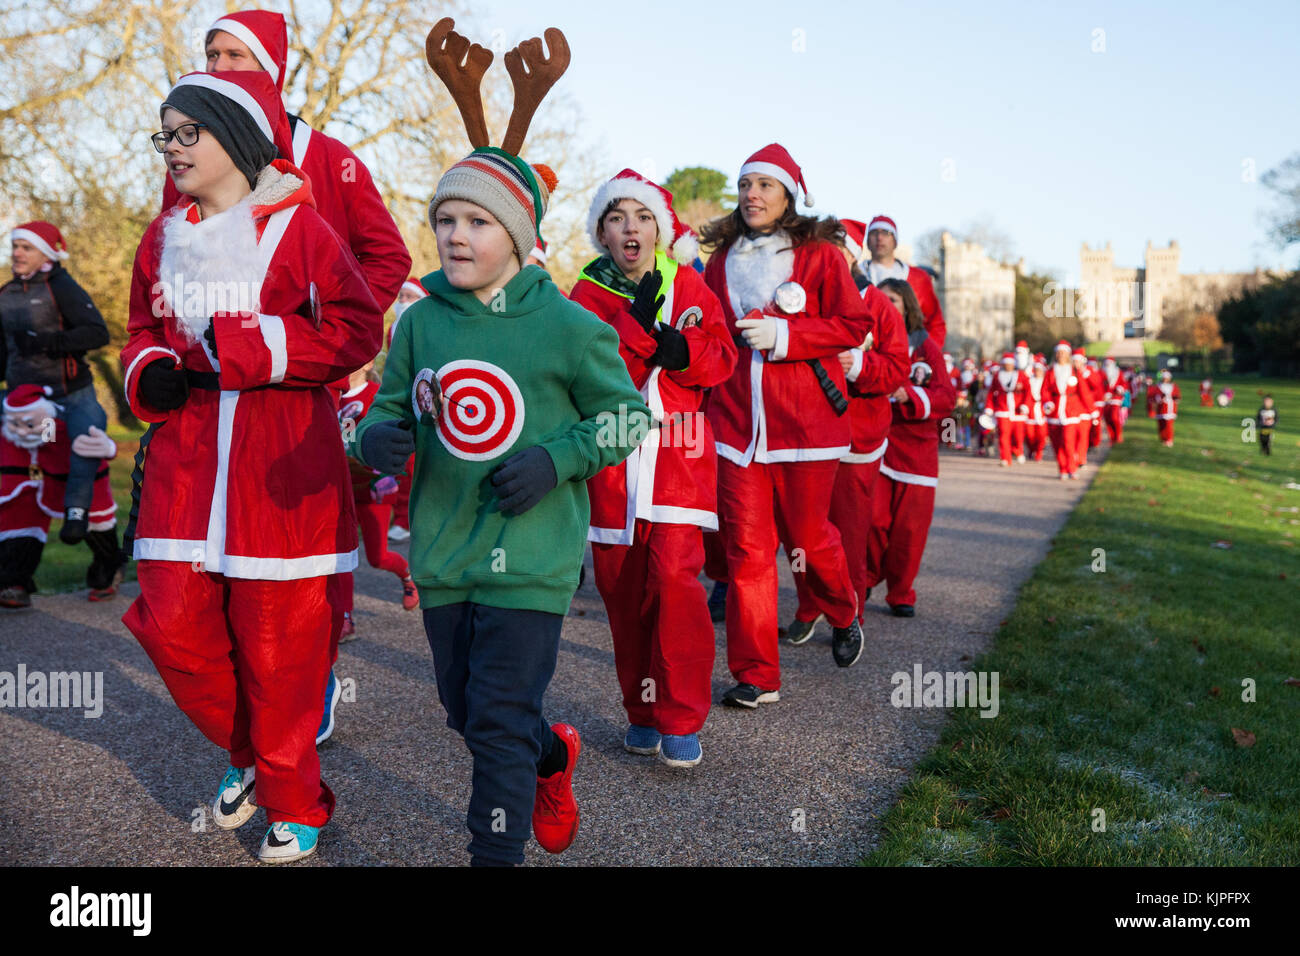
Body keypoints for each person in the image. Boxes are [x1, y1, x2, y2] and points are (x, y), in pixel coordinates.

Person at [353, 18, 649, 865]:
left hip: (533, 562)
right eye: (444, 218)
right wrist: (377, 438)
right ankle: (552, 756)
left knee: (492, 717)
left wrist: (557, 459)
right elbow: (384, 411)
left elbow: (629, 417)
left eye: (476, 222)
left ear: (516, 237)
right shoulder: (419, 324)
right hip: (444, 555)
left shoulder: (566, 325)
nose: (454, 235)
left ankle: (497, 852)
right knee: (466, 711)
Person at [120, 70, 382, 863]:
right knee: (169, 628)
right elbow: (139, 329)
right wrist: (146, 369)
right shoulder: (160, 235)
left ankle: (293, 794)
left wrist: (261, 348)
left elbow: (357, 328)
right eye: (163, 134)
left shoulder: (304, 231)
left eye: (185, 133)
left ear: (231, 137)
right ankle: (253, 755)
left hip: (280, 464)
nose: (171, 148)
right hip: (186, 465)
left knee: (280, 653)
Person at [698, 143, 904, 705]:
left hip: (805, 427)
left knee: (810, 539)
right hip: (737, 428)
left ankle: (843, 610)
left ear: (789, 195)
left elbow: (850, 324)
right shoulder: (720, 261)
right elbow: (713, 334)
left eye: (765, 185)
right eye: (745, 186)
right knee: (747, 552)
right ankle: (757, 675)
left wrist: (789, 337)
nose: (752, 195)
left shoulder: (819, 255)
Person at [569, 169, 737, 768]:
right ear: (603, 234)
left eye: (642, 217)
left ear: (660, 230)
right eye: (616, 218)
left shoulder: (689, 284)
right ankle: (641, 709)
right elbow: (587, 368)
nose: (629, 227)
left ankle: (682, 716)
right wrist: (638, 330)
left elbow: (722, 357)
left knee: (676, 584)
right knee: (621, 592)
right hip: (613, 462)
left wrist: (682, 350)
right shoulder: (585, 295)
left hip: (678, 456)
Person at [788, 218, 908, 635]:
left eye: (835, 251)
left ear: (852, 257)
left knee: (851, 533)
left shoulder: (880, 306)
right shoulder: (804, 297)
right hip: (807, 430)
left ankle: (850, 613)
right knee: (803, 530)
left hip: (858, 436)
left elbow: (896, 370)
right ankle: (808, 605)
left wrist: (857, 364)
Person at [1, 222, 114, 547]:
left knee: (84, 445)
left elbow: (97, 333)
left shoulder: (62, 286)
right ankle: (16, 572)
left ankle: (78, 514)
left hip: (72, 397)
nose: (18, 253)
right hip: (26, 404)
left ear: (46, 253)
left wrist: (46, 341)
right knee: (34, 463)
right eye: (15, 246)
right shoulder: (6, 294)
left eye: (27, 247)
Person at [861, 278, 955, 617]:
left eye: (893, 300)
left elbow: (947, 398)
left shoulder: (925, 346)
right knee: (871, 519)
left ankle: (901, 592)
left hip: (917, 451)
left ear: (907, 306)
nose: (884, 305)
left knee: (909, 531)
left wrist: (910, 395)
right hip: (877, 445)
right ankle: (869, 575)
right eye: (879, 298)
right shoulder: (867, 340)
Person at [327, 361, 418, 663]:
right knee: (342, 558)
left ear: (367, 363)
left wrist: (389, 477)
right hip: (339, 488)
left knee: (377, 558)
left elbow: (401, 442)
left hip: (375, 488)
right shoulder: (330, 393)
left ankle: (406, 575)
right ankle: (346, 618)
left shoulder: (378, 396)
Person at [0, 385, 120, 607]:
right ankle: (13, 580)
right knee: (18, 521)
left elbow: (53, 438)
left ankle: (108, 571)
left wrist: (108, 448)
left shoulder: (56, 423)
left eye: (28, 425)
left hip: (73, 471)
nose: (23, 431)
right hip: (27, 476)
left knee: (96, 523)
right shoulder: (10, 421)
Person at [386, 276, 428, 545]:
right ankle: (401, 517)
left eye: (409, 297)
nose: (402, 302)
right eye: (400, 297)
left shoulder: (427, 325)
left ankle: (410, 519)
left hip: (424, 398)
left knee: (418, 464)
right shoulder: (392, 329)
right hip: (399, 399)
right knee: (401, 461)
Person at [863, 215, 945, 348]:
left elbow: (935, 321)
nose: (879, 237)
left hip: (910, 354)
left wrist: (925, 355)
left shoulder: (918, 278)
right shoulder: (855, 275)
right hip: (866, 355)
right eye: (874, 233)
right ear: (867, 241)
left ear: (895, 241)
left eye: (885, 233)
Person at [1042, 340, 1089, 479]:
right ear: (1056, 354)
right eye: (1059, 352)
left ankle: (1072, 468)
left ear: (1068, 354)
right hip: (1055, 412)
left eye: (1064, 352)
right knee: (1056, 443)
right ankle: (1062, 469)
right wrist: (1048, 402)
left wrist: (1091, 410)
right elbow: (1044, 391)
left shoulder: (1074, 370)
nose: (1061, 355)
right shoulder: (1050, 371)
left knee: (1069, 443)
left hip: (1071, 411)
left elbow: (1083, 391)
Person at [983, 351, 1028, 467]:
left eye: (1010, 364)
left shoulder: (1021, 375)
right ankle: (1005, 458)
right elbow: (991, 392)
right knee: (1003, 435)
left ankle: (1018, 451)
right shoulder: (997, 375)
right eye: (1006, 364)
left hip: (1018, 409)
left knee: (1018, 436)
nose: (1008, 366)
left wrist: (1025, 405)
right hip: (1002, 409)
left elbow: (1028, 392)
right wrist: (989, 407)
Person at [1022, 356, 1048, 461]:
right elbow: (1026, 395)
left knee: (1041, 435)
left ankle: (1039, 451)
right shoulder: (1029, 381)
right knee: (1029, 434)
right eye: (1036, 370)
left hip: (1042, 409)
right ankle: (1031, 449)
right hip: (1031, 409)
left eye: (1040, 370)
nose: (1038, 372)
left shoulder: (1046, 381)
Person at [1099, 355, 1129, 444]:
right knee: (1107, 419)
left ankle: (1118, 435)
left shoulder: (1118, 372)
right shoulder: (1101, 373)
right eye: (1106, 364)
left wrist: (1120, 388)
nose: (1107, 365)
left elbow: (1123, 383)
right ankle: (1112, 438)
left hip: (1116, 397)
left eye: (1109, 364)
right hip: (1105, 399)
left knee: (1114, 417)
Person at [1148, 369, 1181, 446]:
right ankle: (1163, 438)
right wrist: (1159, 399)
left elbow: (1177, 396)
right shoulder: (1158, 386)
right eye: (1164, 378)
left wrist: (1175, 398)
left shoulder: (1173, 386)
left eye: (1167, 378)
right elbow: (1153, 396)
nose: (1165, 379)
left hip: (1170, 408)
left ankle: (1169, 439)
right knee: (1161, 424)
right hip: (1161, 407)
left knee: (1168, 424)